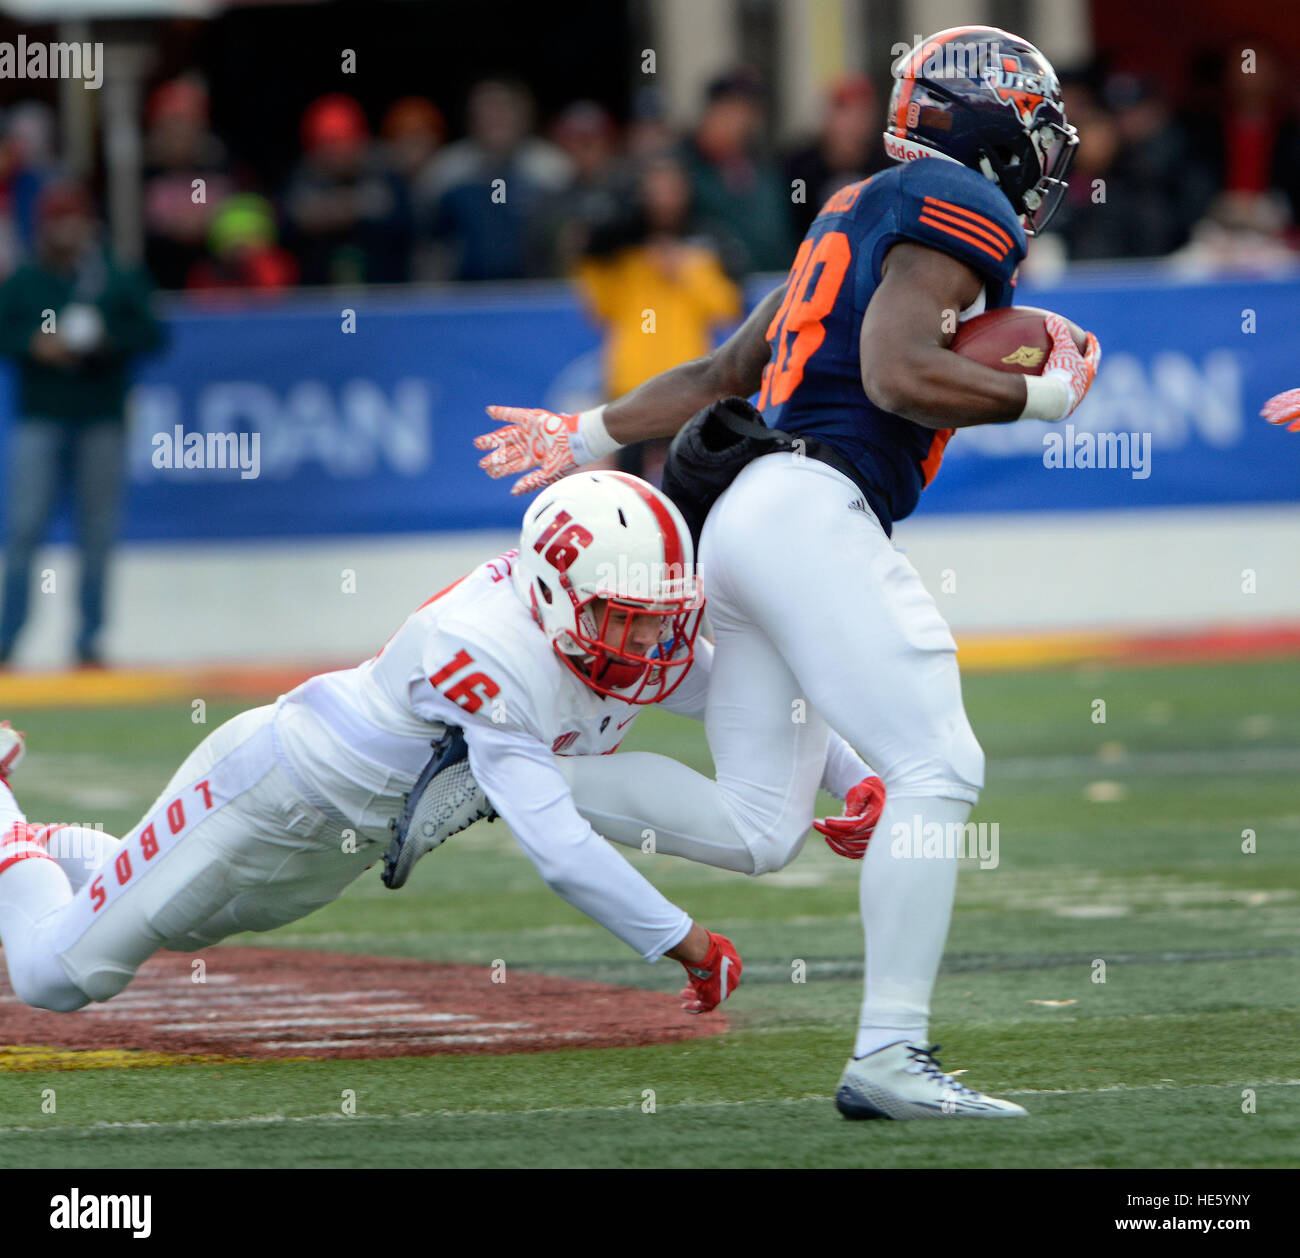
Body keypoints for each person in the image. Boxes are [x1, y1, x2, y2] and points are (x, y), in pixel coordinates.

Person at [474, 27, 1101, 1120]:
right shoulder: (960, 207)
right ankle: (890, 1056)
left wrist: (582, 433)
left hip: (746, 519)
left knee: (765, 824)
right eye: (1036, 132)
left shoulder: (855, 206)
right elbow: (899, 374)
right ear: (989, 123)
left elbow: (727, 368)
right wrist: (1039, 397)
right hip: (811, 509)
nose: (1045, 158)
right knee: (938, 766)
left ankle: (505, 774)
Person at [0, 471, 875, 1019]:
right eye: (623, 619)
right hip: (270, 788)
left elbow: (730, 693)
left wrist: (850, 774)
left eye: (657, 619)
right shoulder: (484, 648)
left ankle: (49, 849)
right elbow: (559, 847)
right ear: (553, 593)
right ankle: (7, 822)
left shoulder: (603, 620)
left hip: (344, 840)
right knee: (56, 976)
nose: (645, 645)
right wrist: (685, 939)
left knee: (174, 930)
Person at [0, 182, 166, 668]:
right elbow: (5, 329)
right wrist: (34, 344)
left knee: (97, 533)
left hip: (100, 418)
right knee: (25, 528)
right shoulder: (27, 281)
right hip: (41, 416)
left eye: (73, 221)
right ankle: (8, 639)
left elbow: (153, 331)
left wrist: (103, 340)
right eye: (57, 222)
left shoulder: (115, 276)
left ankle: (89, 641)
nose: (66, 232)